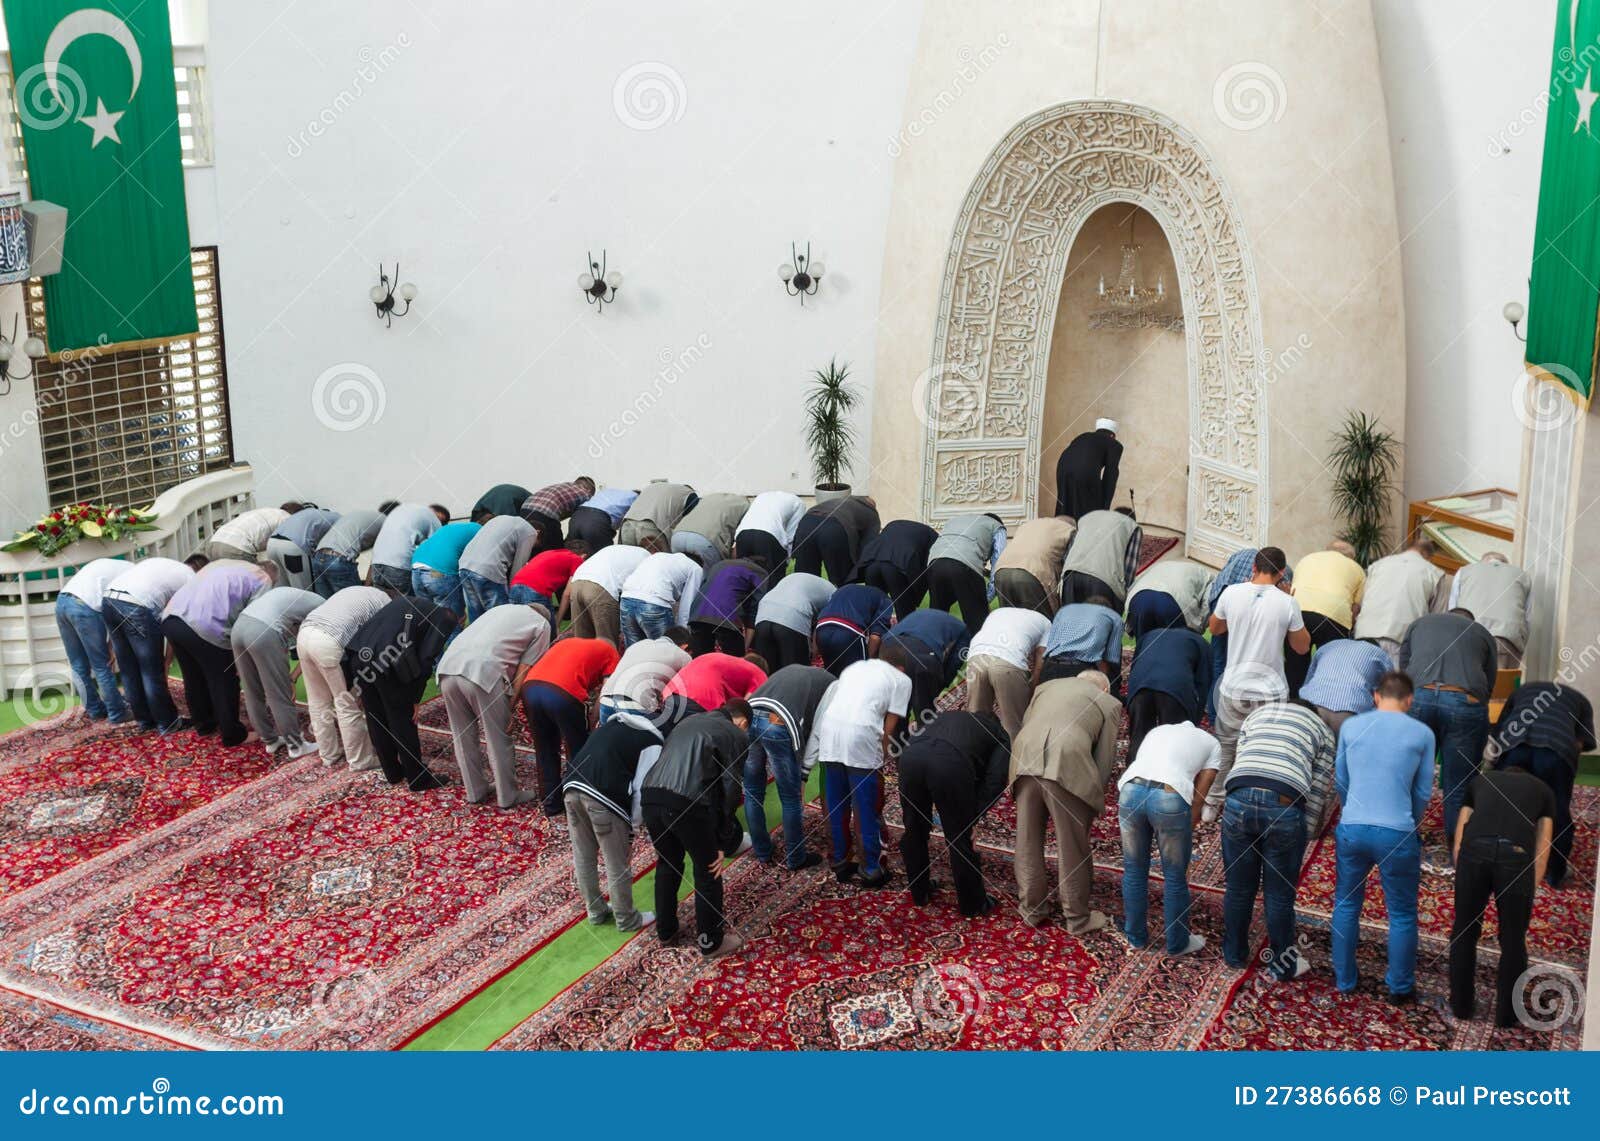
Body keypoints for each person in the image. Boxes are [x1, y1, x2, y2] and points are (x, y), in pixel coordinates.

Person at [1332, 671, 1435, 1004]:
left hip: (1353, 827)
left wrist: (1352, 812)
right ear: (1410, 700)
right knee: (1402, 914)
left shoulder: (1350, 726)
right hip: (1397, 831)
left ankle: (1345, 980)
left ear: (1376, 696)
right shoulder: (1422, 733)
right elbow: (1422, 791)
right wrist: (1411, 825)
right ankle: (1399, 987)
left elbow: (1341, 780)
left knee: (1346, 904)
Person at [1219, 699, 1337, 981]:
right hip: (1285, 803)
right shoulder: (1322, 730)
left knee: (1238, 887)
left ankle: (1234, 954)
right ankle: (1282, 965)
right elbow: (1318, 789)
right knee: (1279, 894)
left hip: (1238, 797)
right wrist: (1304, 833)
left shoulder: (1257, 715)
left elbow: (1241, 757)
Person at [1009, 671, 1123, 931]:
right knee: (1072, 844)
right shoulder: (1108, 703)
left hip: (1024, 757)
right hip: (1068, 761)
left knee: (1027, 838)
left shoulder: (1045, 687)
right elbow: (1104, 760)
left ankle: (1032, 910)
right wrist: (1094, 799)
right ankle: (1077, 918)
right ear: (1104, 689)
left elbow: (1028, 723)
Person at [641, 703, 754, 957]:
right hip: (687, 802)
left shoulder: (688, 722)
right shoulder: (735, 735)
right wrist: (722, 839)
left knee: (668, 863)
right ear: (743, 722)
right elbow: (731, 788)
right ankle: (711, 942)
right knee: (708, 870)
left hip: (650, 797)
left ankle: (666, 930)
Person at [1204, 547, 1309, 818]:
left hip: (1233, 687)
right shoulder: (1287, 602)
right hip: (1271, 692)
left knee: (1226, 747)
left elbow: (1214, 628)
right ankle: (1259, 805)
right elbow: (1301, 647)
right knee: (1267, 750)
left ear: (1254, 567)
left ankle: (1211, 805)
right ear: (1282, 573)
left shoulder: (1231, 593)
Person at [1449, 765, 1555, 1026]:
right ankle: (1507, 1016)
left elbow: (1461, 829)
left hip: (1474, 850)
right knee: (1513, 939)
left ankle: (1461, 1005)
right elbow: (1544, 841)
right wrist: (1531, 883)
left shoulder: (1481, 780)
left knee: (1464, 930)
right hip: (1516, 856)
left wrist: (1461, 866)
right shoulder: (1544, 790)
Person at [1117, 720, 1220, 956]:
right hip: (1169, 796)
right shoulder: (1212, 744)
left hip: (1130, 791)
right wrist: (1187, 827)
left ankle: (1135, 938)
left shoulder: (1157, 731)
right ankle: (1177, 943)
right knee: (1174, 876)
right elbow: (1199, 796)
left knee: (1133, 869)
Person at [1401, 608, 1497, 859]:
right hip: (1464, 701)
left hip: (1418, 697)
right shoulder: (1482, 633)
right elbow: (1489, 682)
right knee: (1459, 783)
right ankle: (1458, 850)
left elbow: (1404, 667)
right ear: (1470, 621)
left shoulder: (1418, 623)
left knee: (1410, 775)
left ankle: (1405, 842)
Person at [437, 602, 553, 808]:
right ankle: (508, 796)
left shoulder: (501, 609)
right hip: (482, 672)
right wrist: (511, 705)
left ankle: (475, 791)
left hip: (447, 667)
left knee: (462, 735)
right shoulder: (542, 624)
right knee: (498, 737)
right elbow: (525, 669)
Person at [814, 647, 913, 886]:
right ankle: (871, 869)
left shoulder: (855, 667)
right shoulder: (902, 680)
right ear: (901, 668)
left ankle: (840, 863)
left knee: (835, 807)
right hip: (861, 738)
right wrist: (883, 758)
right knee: (865, 808)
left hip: (829, 734)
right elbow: (889, 728)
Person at [899, 711, 1010, 917]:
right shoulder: (1001, 737)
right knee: (960, 836)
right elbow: (995, 781)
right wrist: (973, 816)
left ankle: (919, 891)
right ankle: (973, 904)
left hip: (910, 757)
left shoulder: (950, 716)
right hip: (948, 762)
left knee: (914, 827)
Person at [562, 709, 664, 932]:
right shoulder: (653, 742)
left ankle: (596, 911)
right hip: (604, 800)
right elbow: (640, 792)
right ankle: (626, 919)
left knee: (583, 854)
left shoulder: (612, 725)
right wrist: (632, 831)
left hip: (570, 789)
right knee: (616, 861)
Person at [346, 596, 459, 792]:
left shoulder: (407, 602)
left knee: (375, 717)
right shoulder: (446, 619)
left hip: (358, 656)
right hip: (386, 665)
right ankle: (417, 778)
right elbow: (426, 659)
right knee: (402, 720)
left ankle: (393, 772)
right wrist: (415, 698)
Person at [1491, 680, 1596, 888]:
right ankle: (1556, 873)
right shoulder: (1581, 701)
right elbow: (1579, 743)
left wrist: (1497, 768)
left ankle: (1497, 861)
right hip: (1555, 749)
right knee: (1557, 811)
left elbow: (1500, 728)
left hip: (1515, 744)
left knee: (1505, 803)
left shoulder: (1522, 691)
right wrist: (1565, 774)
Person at [163, 560, 277, 747]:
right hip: (204, 627)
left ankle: (204, 724)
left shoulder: (222, 564)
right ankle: (233, 734)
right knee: (224, 680)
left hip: (171, 619)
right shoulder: (263, 579)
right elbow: (252, 620)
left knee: (193, 676)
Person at [746, 664, 836, 870]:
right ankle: (796, 858)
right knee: (791, 797)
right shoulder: (834, 687)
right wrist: (803, 774)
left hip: (750, 714)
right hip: (778, 721)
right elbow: (817, 730)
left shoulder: (796, 671)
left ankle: (762, 852)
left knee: (752, 791)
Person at [102, 554, 203, 734]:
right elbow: (176, 623)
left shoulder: (167, 565)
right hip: (136, 605)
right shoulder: (192, 578)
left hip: (109, 600)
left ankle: (145, 720)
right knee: (151, 670)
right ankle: (167, 723)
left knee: (128, 669)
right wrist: (166, 660)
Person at [520, 637, 621, 816]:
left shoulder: (570, 642)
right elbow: (605, 693)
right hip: (562, 693)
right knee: (579, 750)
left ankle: (551, 803)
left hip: (530, 688)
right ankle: (578, 804)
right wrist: (592, 720)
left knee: (545, 748)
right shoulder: (610, 652)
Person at [296, 585, 391, 770]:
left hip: (304, 635)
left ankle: (329, 755)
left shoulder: (355, 590)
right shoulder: (384, 602)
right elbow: (374, 642)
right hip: (327, 641)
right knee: (345, 703)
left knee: (317, 701)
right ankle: (360, 760)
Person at [231, 586, 323, 756]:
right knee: (279, 694)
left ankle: (270, 740)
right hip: (263, 631)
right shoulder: (322, 608)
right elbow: (311, 648)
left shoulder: (294, 596)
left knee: (251, 690)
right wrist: (291, 678)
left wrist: (290, 676)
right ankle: (296, 746)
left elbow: (285, 638)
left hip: (239, 628)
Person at [1202, 546, 1285, 723]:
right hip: (1228, 603)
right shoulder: (1285, 587)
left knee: (1220, 661)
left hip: (1223, 600)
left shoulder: (1242, 556)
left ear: (1255, 567)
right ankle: (1217, 713)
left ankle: (1215, 716)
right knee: (1222, 661)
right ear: (1281, 573)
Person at [55, 557, 134, 725]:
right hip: (85, 606)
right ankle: (117, 712)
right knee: (101, 665)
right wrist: (112, 646)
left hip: (62, 602)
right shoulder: (133, 576)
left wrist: (111, 644)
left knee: (78, 665)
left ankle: (95, 710)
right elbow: (119, 613)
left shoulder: (114, 565)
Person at [1285, 540, 1367, 697]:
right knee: (1329, 665)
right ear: (1351, 557)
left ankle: (1294, 703)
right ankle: (1322, 702)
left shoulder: (1307, 559)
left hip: (1298, 610)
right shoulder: (1357, 569)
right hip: (1335, 616)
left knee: (1295, 663)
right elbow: (1355, 609)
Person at [1124, 624, 1211, 761]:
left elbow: (1136, 666)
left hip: (1140, 684)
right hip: (1174, 686)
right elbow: (1203, 683)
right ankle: (1167, 777)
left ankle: (1133, 777)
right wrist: (1193, 721)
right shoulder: (1200, 642)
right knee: (1173, 740)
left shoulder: (1150, 634)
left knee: (1139, 738)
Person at [1351, 537, 1447, 659]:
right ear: (1428, 556)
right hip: (1399, 639)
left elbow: (1363, 601)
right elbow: (1437, 620)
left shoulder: (1378, 565)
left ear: (1408, 549)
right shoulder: (1434, 573)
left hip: (1365, 633)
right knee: (1393, 678)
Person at [965, 606, 1050, 739]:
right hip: (1008, 662)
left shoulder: (998, 612)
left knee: (976, 723)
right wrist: (1031, 694)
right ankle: (1014, 758)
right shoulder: (1046, 623)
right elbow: (1040, 665)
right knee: (1015, 728)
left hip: (977, 658)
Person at [881, 607, 970, 726]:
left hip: (889, 647)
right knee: (925, 717)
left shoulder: (917, 614)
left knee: (895, 710)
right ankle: (925, 741)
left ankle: (896, 742)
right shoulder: (963, 630)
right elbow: (954, 663)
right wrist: (939, 683)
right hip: (922, 656)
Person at [925, 512, 1007, 638]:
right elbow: (999, 560)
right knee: (976, 621)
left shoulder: (955, 520)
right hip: (965, 565)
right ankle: (977, 653)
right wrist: (986, 598)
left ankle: (932, 652)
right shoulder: (997, 527)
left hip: (934, 564)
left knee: (937, 615)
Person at [1449, 552, 1532, 669]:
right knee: (1501, 685)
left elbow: (1453, 611)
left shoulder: (1464, 571)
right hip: (1506, 641)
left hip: (1469, 637)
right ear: (1505, 564)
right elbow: (1528, 618)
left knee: (1468, 683)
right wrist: (1520, 646)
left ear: (1482, 562)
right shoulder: (1523, 576)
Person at [1300, 638, 1393, 739]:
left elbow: (1307, 681)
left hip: (1311, 706)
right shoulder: (1379, 653)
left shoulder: (1330, 645)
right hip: (1349, 711)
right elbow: (1390, 696)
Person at [561, 543, 650, 645]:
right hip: (600, 586)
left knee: (582, 642)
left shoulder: (621, 550)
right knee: (607, 642)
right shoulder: (647, 557)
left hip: (577, 582)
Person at [599, 627, 692, 723]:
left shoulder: (637, 645)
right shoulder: (683, 656)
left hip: (606, 701)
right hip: (635, 706)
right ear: (685, 647)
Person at [852, 519, 938, 620]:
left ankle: (874, 634)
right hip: (895, 567)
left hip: (872, 563)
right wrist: (915, 596)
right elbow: (925, 570)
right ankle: (903, 634)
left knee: (874, 609)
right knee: (904, 610)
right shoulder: (933, 537)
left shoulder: (893, 525)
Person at [457, 515, 537, 621]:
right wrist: (515, 597)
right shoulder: (531, 532)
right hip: (488, 569)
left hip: (464, 565)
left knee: (476, 615)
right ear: (538, 532)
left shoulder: (500, 519)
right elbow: (518, 568)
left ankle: (477, 637)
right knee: (499, 617)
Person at [1058, 508, 1141, 609]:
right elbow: (1129, 569)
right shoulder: (1132, 526)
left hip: (1071, 575)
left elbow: (1070, 551)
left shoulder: (1087, 517)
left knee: (1070, 619)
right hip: (1102, 581)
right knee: (1100, 620)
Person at [751, 572, 835, 671]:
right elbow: (821, 626)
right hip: (792, 614)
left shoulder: (808, 582)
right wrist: (813, 652)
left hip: (764, 612)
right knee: (794, 674)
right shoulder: (834, 594)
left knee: (766, 673)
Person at [993, 515, 1074, 616]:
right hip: (1032, 573)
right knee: (1039, 622)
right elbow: (1070, 567)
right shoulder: (1069, 530)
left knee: (1009, 620)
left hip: (1001, 571)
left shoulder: (1028, 525)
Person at [619, 551, 703, 646]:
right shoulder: (696, 568)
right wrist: (682, 633)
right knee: (663, 650)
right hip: (654, 603)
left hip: (627, 598)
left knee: (633, 651)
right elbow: (687, 604)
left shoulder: (659, 556)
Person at [1040, 597, 1124, 691]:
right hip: (1080, 672)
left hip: (1050, 667)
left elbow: (1049, 649)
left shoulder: (1064, 613)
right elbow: (1109, 661)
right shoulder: (1112, 618)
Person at [687, 557, 767, 656]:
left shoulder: (719, 564)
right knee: (734, 660)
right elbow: (756, 608)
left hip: (697, 612)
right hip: (726, 615)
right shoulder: (760, 572)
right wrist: (745, 647)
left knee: (701, 659)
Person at [791, 495, 880, 585]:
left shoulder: (842, 500)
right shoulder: (871, 512)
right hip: (834, 526)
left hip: (807, 522)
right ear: (871, 506)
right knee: (840, 577)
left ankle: (802, 596)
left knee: (805, 575)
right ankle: (841, 596)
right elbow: (870, 543)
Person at [1124, 558, 1214, 644]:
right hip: (1171, 603)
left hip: (1139, 599)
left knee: (1143, 648)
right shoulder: (1211, 579)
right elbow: (1209, 603)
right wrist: (1197, 628)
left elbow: (1137, 583)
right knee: (1175, 650)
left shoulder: (1161, 565)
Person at [813, 582, 895, 676]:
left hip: (822, 629)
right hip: (849, 631)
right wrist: (869, 663)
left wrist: (815, 655)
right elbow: (875, 637)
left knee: (832, 678)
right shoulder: (885, 599)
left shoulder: (844, 588)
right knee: (858, 678)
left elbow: (820, 622)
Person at [311, 504, 393, 597]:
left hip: (318, 557)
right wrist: (366, 588)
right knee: (354, 601)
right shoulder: (386, 523)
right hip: (338, 560)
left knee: (326, 603)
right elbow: (376, 560)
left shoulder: (363, 514)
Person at [370, 503, 449, 594]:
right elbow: (436, 555)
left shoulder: (406, 511)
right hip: (398, 566)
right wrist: (440, 581)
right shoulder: (434, 520)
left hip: (377, 564)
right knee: (406, 605)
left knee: (383, 603)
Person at [410, 519, 481, 618]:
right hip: (437, 572)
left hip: (416, 570)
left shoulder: (451, 528)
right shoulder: (480, 530)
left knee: (427, 618)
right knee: (450, 622)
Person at [1054, 417, 1122, 518]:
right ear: (1112, 435)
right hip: (1084, 472)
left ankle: (1063, 530)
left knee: (1065, 504)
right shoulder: (1114, 444)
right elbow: (1110, 476)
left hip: (1062, 470)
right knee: (1090, 510)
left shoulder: (1083, 436)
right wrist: (1104, 508)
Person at [734, 490, 806, 584]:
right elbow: (792, 534)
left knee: (743, 577)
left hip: (742, 534)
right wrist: (786, 560)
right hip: (769, 536)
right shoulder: (799, 503)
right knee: (772, 580)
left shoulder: (761, 496)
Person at [661, 651, 768, 712]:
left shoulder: (720, 659)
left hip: (670, 694)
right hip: (699, 701)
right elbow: (747, 708)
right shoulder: (759, 673)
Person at [266, 506, 339, 590]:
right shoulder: (339, 520)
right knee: (303, 590)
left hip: (272, 543)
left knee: (282, 588)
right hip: (292, 546)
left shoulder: (308, 514)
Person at [670, 492, 750, 566]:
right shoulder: (745, 506)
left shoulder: (709, 498)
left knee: (680, 574)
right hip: (706, 541)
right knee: (711, 577)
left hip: (677, 536)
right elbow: (741, 537)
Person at [521, 477, 597, 553]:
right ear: (589, 490)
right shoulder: (586, 494)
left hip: (525, 509)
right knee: (556, 549)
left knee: (531, 545)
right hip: (545, 512)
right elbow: (584, 518)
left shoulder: (564, 486)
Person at [619, 481, 696, 551]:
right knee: (658, 563)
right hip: (650, 527)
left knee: (630, 563)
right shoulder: (689, 494)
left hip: (627, 525)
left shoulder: (658, 487)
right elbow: (691, 525)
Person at [508, 543, 588, 610]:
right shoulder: (577, 559)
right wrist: (558, 621)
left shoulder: (550, 553)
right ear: (584, 556)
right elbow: (567, 594)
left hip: (515, 586)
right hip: (536, 590)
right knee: (546, 626)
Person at [205, 504, 293, 563]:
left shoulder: (267, 512)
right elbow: (288, 548)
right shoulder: (288, 518)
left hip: (214, 542)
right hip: (237, 547)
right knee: (255, 583)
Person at [568, 486, 637, 551]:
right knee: (604, 556)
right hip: (596, 521)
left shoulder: (610, 491)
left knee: (571, 554)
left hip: (577, 516)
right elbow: (630, 525)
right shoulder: (636, 498)